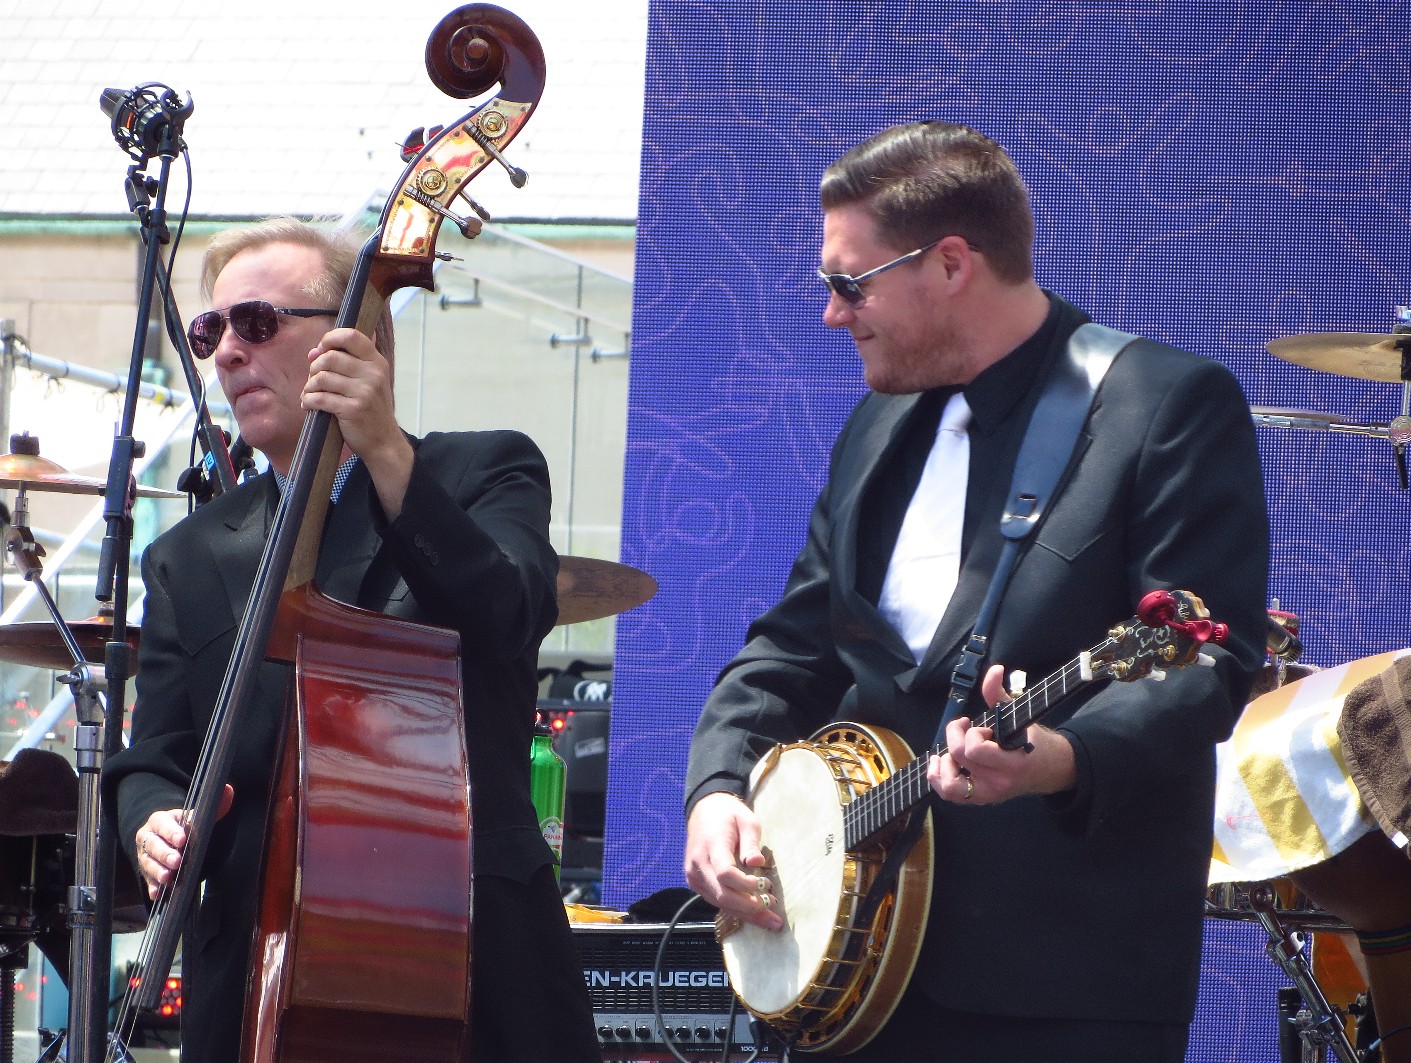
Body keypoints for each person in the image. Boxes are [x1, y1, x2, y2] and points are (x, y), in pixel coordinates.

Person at [683, 121, 1270, 1062]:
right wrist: (716, 788)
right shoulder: (876, 425)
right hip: (848, 975)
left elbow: (1207, 656)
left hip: (1058, 986)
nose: (834, 315)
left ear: (949, 262)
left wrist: (1061, 754)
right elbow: (792, 646)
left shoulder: (1163, 404)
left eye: (848, 283)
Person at [103, 218, 601, 1063]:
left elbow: (508, 614)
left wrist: (384, 456)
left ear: (359, 338)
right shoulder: (187, 554)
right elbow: (157, 752)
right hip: (259, 976)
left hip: (465, 954)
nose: (225, 351)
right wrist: (150, 816)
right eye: (209, 329)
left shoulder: (483, 472)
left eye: (257, 321)